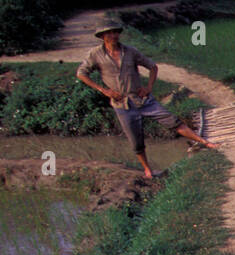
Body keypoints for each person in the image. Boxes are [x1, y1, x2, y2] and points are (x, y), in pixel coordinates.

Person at [75, 18, 218, 179]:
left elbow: (153, 67)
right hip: (121, 105)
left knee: (172, 120)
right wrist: (103, 90)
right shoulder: (95, 54)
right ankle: (148, 170)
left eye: (116, 32)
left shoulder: (130, 51)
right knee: (136, 140)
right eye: (109, 33)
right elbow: (81, 73)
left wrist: (149, 87)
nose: (114, 35)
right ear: (102, 36)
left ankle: (204, 142)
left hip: (142, 99)